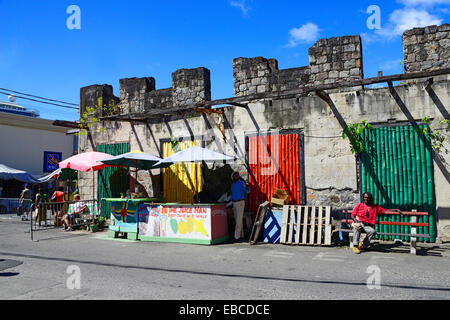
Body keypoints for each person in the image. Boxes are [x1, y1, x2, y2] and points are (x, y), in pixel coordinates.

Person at [230, 172, 250, 241]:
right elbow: (232, 195)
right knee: (238, 219)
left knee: (238, 220)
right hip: (234, 203)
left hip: (240, 202)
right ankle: (241, 235)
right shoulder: (232, 185)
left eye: (237, 176)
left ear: (238, 177)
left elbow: (247, 191)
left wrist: (247, 186)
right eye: (234, 176)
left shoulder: (241, 183)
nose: (235, 177)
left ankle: (236, 237)